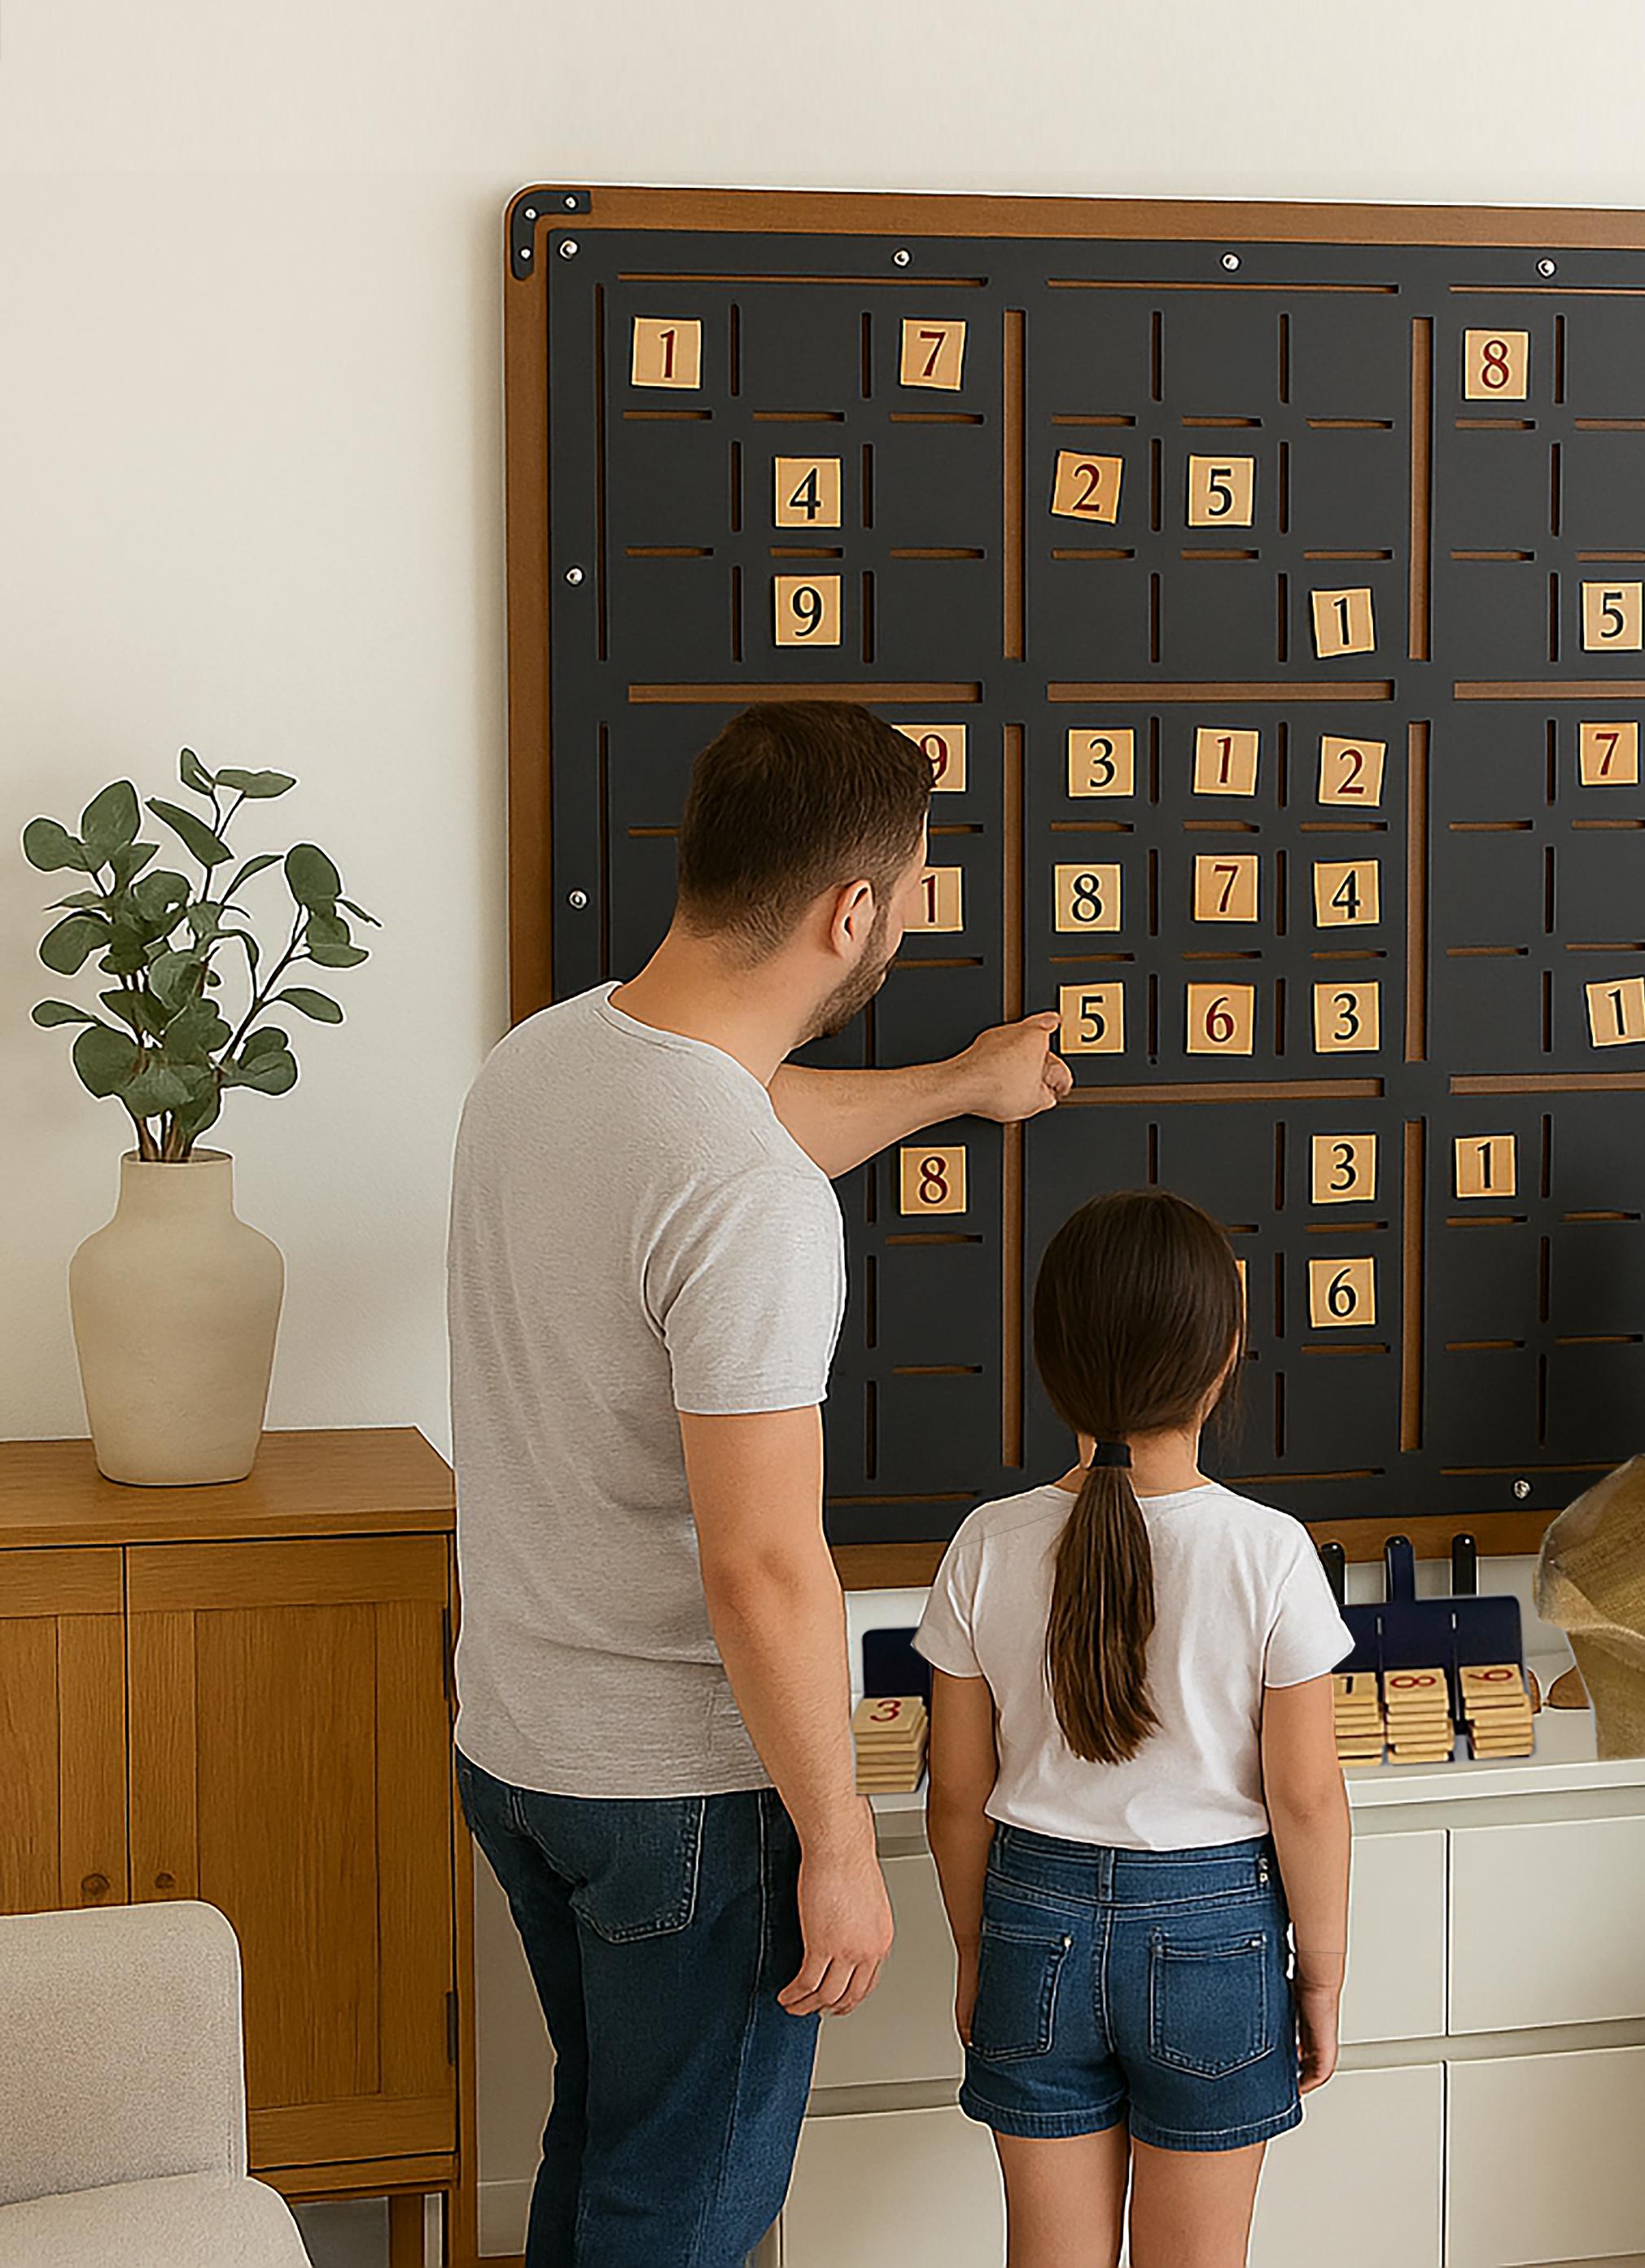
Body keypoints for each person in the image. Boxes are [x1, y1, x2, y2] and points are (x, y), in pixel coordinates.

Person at [448, 702, 1070, 2268]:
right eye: (917, 887)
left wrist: (953, 1085)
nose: (917, 915)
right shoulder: (748, 1202)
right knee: (682, 2215)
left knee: (603, 2158)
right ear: (848, 912)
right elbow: (767, 1568)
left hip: (521, 1749)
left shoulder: (545, 1064)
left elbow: (747, 1125)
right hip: (686, 1796)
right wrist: (843, 1845)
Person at [916, 1189, 1354, 2268]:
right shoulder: (1270, 1552)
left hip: (1031, 1924)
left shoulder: (985, 1543)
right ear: (1222, 1363)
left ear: (1053, 1362)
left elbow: (955, 1793)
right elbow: (1305, 1797)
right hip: (1216, 1938)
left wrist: (975, 1947)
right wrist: (1323, 1976)